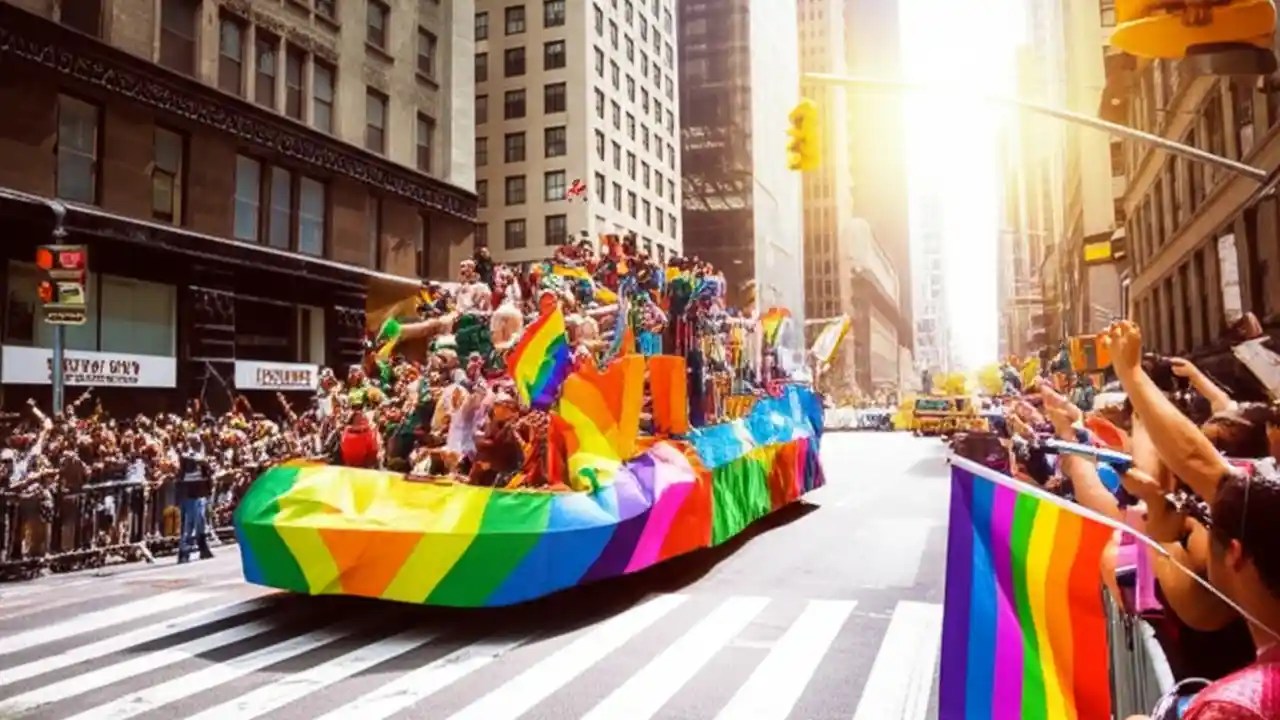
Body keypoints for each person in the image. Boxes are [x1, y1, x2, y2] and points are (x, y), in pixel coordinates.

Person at [176, 434, 214, 564]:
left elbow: (208, 469)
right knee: (189, 522)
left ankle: (203, 548)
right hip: (189, 494)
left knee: (201, 521)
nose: (198, 443)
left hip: (201, 492)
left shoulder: (202, 454)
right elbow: (185, 464)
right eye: (195, 441)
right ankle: (184, 552)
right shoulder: (186, 455)